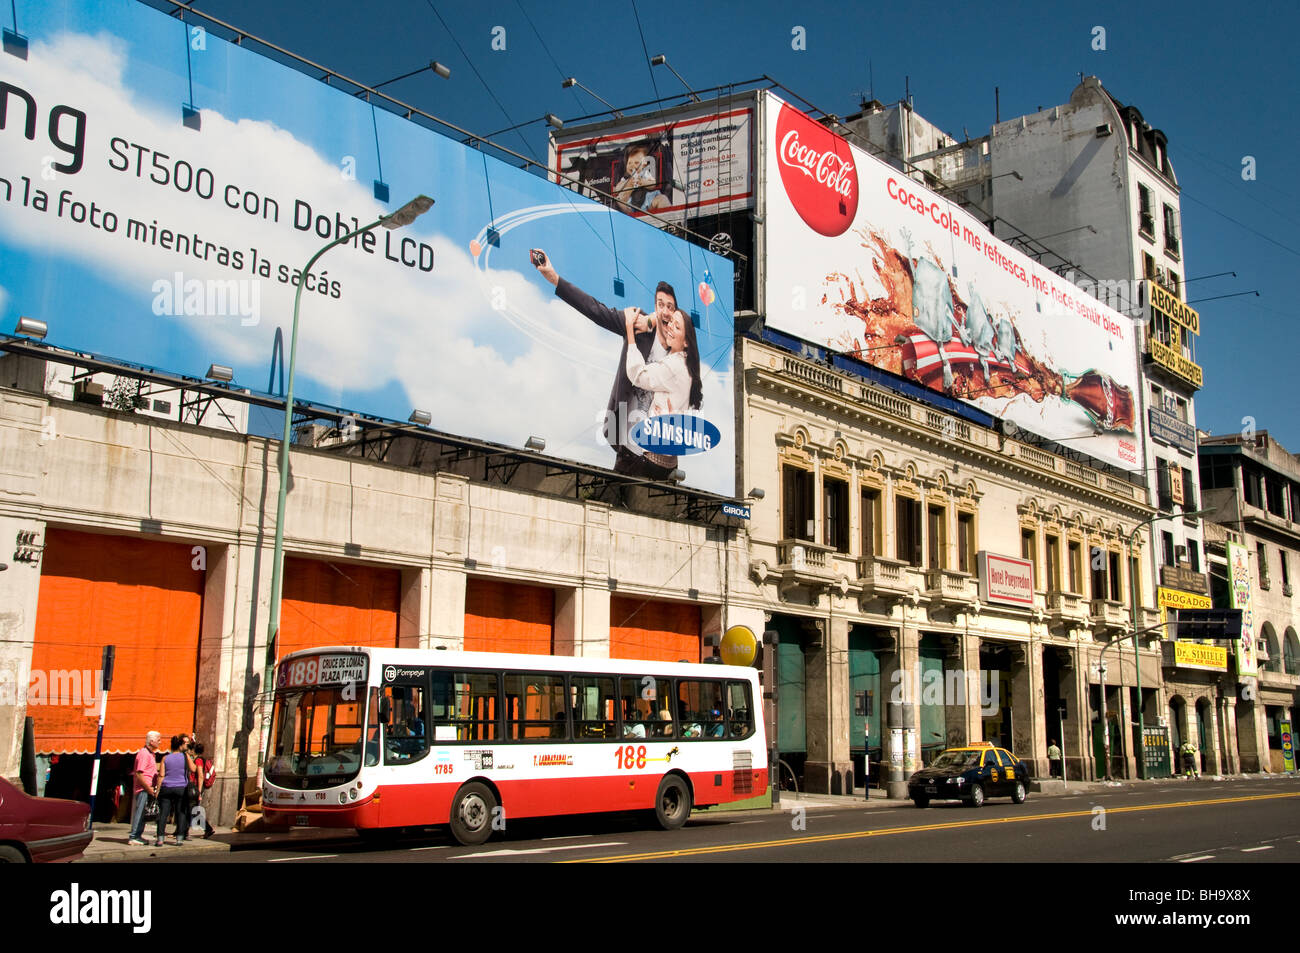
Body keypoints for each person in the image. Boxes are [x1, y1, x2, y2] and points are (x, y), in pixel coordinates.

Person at [531, 247, 682, 480]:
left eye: (670, 307)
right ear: (654, 305)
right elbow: (596, 310)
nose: (664, 311)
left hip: (662, 455)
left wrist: (651, 321)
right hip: (630, 450)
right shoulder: (636, 325)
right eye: (659, 305)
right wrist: (554, 278)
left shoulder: (678, 344)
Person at [611, 142, 672, 214]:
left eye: (636, 163)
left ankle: (669, 217)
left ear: (644, 164)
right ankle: (629, 214)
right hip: (631, 207)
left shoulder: (645, 174)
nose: (632, 165)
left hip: (649, 203)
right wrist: (627, 183)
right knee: (618, 200)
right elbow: (618, 188)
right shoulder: (627, 177)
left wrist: (643, 182)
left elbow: (653, 184)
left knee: (662, 199)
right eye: (629, 163)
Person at [155, 735, 192, 846]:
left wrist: (157, 790)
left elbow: (161, 775)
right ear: (180, 745)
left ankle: (160, 839)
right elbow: (193, 769)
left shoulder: (165, 758)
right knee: (180, 813)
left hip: (166, 788)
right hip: (181, 788)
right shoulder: (185, 756)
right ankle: (179, 839)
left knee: (163, 813)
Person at [127, 730, 162, 846]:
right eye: (158, 740)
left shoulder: (151, 754)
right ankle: (133, 836)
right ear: (151, 741)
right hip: (143, 789)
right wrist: (148, 788)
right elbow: (139, 773)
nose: (160, 742)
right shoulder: (143, 754)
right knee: (140, 812)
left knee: (144, 813)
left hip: (147, 788)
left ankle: (138, 835)